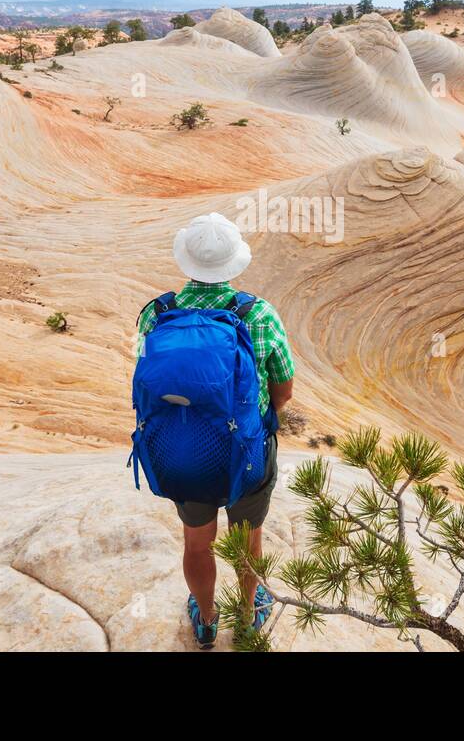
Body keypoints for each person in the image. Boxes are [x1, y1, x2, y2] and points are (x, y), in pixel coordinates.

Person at [136, 212, 295, 648]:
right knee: (247, 544)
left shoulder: (157, 314)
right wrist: (266, 418)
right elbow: (284, 388)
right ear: (233, 264)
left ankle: (205, 620)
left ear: (186, 260)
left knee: (197, 545)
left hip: (182, 449)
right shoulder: (258, 314)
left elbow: (148, 384)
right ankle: (247, 617)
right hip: (247, 450)